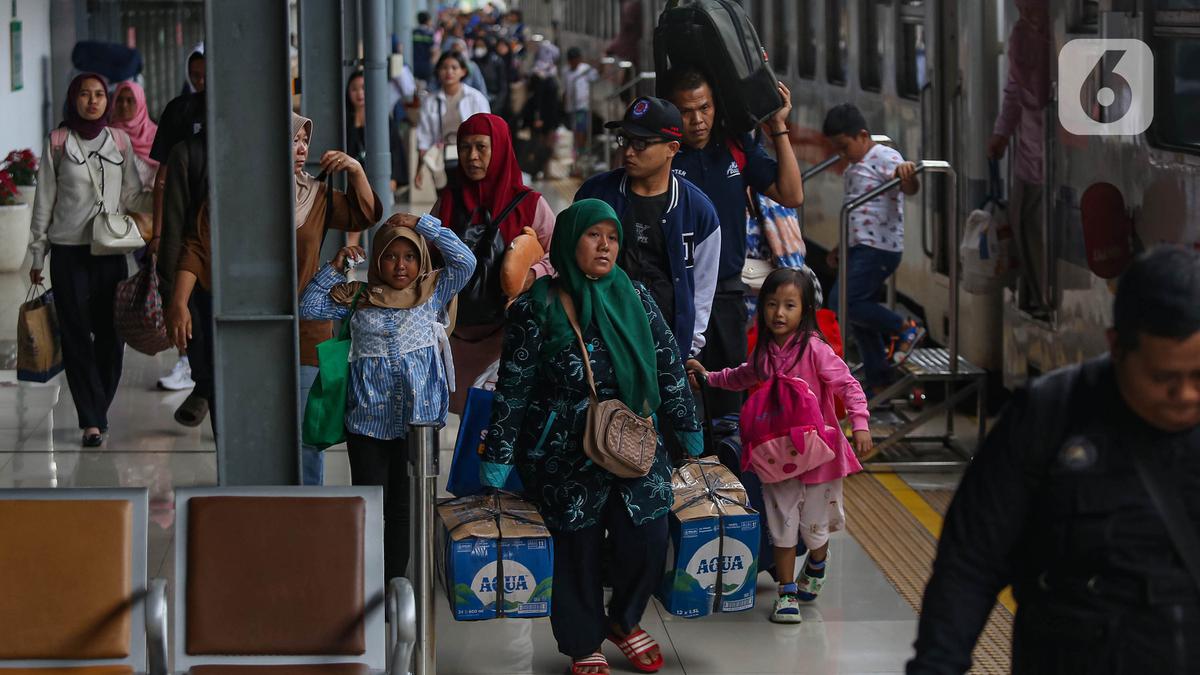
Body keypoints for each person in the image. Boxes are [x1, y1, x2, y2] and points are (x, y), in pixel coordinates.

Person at [908, 246, 1200, 674]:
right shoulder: (1047, 417)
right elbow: (970, 563)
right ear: (1116, 347)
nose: (1186, 396)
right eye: (1164, 378)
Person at [481, 199, 704, 675]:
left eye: (612, 237)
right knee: (576, 548)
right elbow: (513, 387)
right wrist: (499, 455)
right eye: (592, 235)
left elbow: (668, 367)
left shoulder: (637, 297)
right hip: (562, 450)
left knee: (648, 535)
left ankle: (623, 620)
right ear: (568, 240)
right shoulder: (535, 307)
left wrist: (687, 425)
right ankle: (583, 639)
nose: (604, 246)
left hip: (633, 441)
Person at [167, 113, 381, 483]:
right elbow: (198, 246)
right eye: (292, 140)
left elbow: (365, 214)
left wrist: (355, 169)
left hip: (308, 331)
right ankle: (252, 514)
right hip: (247, 329)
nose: (301, 149)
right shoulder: (234, 194)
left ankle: (305, 516)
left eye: (304, 141)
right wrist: (178, 302)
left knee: (304, 437)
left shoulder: (316, 196)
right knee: (248, 433)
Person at [687, 268, 872, 623]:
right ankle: (787, 592)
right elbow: (743, 375)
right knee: (781, 524)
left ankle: (817, 560)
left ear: (805, 310)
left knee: (814, 528)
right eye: (771, 304)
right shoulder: (766, 352)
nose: (779, 313)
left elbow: (848, 385)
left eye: (789, 305)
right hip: (775, 456)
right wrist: (710, 379)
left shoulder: (816, 350)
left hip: (819, 455)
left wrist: (860, 423)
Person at [300, 212, 474, 584]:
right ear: (377, 259)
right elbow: (309, 307)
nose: (400, 265)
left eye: (410, 256)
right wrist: (335, 268)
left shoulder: (433, 293)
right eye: (391, 256)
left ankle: (395, 584)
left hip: (417, 425)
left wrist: (423, 224)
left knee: (401, 509)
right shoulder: (359, 298)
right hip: (368, 425)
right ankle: (365, 582)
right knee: (367, 505)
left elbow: (466, 261)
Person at [666, 67, 804, 418]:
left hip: (726, 295)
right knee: (677, 402)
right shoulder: (664, 153)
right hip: (673, 294)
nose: (697, 120)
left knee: (728, 407)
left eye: (705, 108)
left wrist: (778, 128)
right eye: (686, 111)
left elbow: (791, 193)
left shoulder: (735, 148)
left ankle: (727, 470)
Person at [28, 73, 152, 447]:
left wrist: (163, 209)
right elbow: (44, 201)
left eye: (99, 94)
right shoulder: (58, 142)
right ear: (73, 99)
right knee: (77, 334)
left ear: (107, 101)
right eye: (85, 94)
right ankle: (92, 420)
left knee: (112, 335)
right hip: (68, 251)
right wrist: (37, 252)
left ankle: (98, 406)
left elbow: (132, 193)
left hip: (110, 251)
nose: (93, 101)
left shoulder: (120, 141)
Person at [575, 96, 721, 361]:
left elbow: (702, 288)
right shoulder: (595, 194)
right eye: (625, 140)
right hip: (598, 345)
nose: (629, 151)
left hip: (666, 352)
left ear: (672, 148)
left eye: (641, 143)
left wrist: (687, 351)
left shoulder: (699, 211)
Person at [433, 113, 557, 412]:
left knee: (504, 417)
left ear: (500, 148)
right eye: (464, 148)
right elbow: (427, 254)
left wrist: (531, 274)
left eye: (481, 147)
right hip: (457, 337)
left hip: (507, 336)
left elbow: (559, 254)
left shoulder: (529, 203)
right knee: (470, 418)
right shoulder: (448, 201)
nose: (471, 157)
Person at [821, 103, 923, 394]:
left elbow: (908, 186)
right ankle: (879, 378)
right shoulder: (854, 168)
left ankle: (904, 328)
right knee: (857, 311)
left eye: (844, 147)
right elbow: (855, 210)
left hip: (880, 248)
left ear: (863, 135)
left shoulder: (885, 156)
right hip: (860, 247)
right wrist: (841, 244)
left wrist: (907, 173)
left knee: (844, 302)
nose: (842, 155)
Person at [987, 0, 1050, 315]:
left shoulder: (1050, 33)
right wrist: (1002, 133)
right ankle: (1035, 294)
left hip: (1053, 149)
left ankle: (1040, 295)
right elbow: (1015, 90)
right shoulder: (1021, 36)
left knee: (1031, 222)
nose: (1024, 7)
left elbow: (1028, 91)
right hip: (1031, 149)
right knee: (1024, 222)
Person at [414, 51, 490, 191]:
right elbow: (424, 137)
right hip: (442, 160)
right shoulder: (430, 101)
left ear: (463, 71)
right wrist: (419, 168)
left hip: (471, 157)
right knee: (446, 199)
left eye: (454, 68)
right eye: (444, 68)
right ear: (438, 71)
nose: (449, 72)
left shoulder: (476, 98)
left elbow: (486, 132)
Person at [108, 81, 159, 245]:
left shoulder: (156, 137)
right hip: (113, 220)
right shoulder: (106, 136)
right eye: (120, 100)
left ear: (141, 103)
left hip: (149, 220)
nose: (124, 105)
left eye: (130, 100)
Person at [345, 70, 409, 199]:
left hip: (379, 179)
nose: (360, 93)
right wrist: (356, 121)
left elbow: (394, 149)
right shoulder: (344, 120)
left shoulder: (382, 119)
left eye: (363, 88)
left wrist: (394, 177)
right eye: (354, 89)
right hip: (352, 181)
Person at [563, 47, 599, 160]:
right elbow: (566, 88)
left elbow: (595, 77)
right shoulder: (566, 71)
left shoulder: (585, 69)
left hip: (582, 105)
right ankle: (576, 150)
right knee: (573, 129)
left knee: (581, 129)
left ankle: (581, 151)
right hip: (571, 106)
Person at [412, 12, 435, 83]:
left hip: (414, 63)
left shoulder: (413, 32)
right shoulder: (430, 33)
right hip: (426, 64)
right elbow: (433, 50)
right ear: (427, 20)